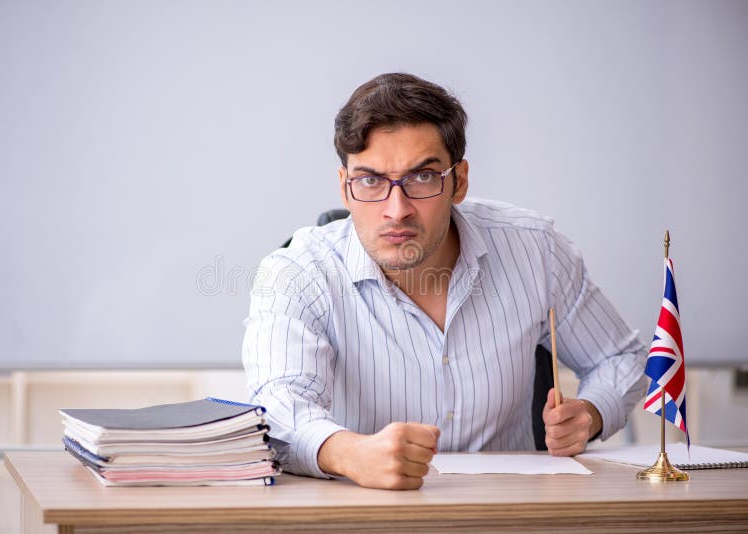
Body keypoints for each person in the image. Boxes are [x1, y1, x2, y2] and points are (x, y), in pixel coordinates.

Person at [242, 73, 646, 490]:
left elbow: (622, 357)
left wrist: (592, 412)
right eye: (370, 180)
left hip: (511, 513)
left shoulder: (535, 249)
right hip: (363, 512)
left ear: (459, 181)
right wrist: (350, 453)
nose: (396, 210)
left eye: (422, 177)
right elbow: (275, 408)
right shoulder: (298, 271)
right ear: (345, 189)